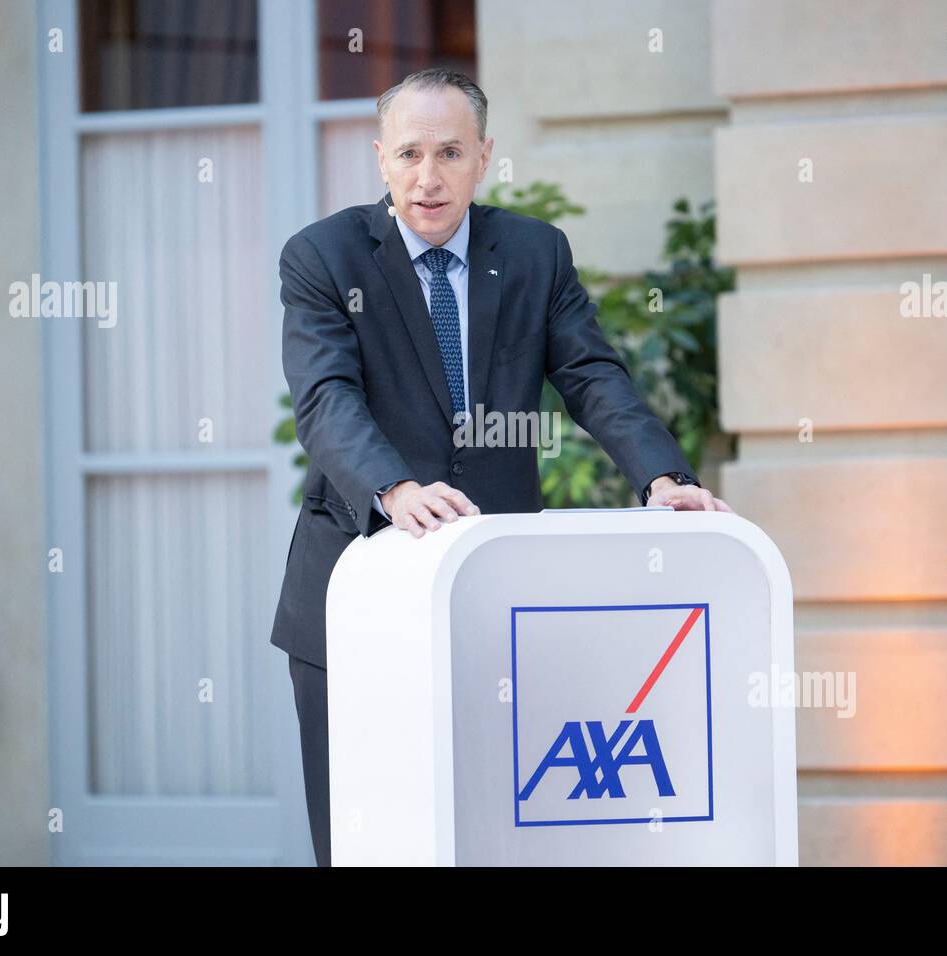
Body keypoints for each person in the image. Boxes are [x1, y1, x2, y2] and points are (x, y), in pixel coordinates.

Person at [270, 67, 731, 866]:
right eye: (409, 152)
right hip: (352, 593)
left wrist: (665, 477)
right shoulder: (322, 257)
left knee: (496, 829)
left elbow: (591, 374)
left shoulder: (533, 252)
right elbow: (326, 399)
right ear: (380, 158)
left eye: (450, 151)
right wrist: (395, 487)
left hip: (497, 599)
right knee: (363, 836)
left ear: (484, 157)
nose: (428, 176)